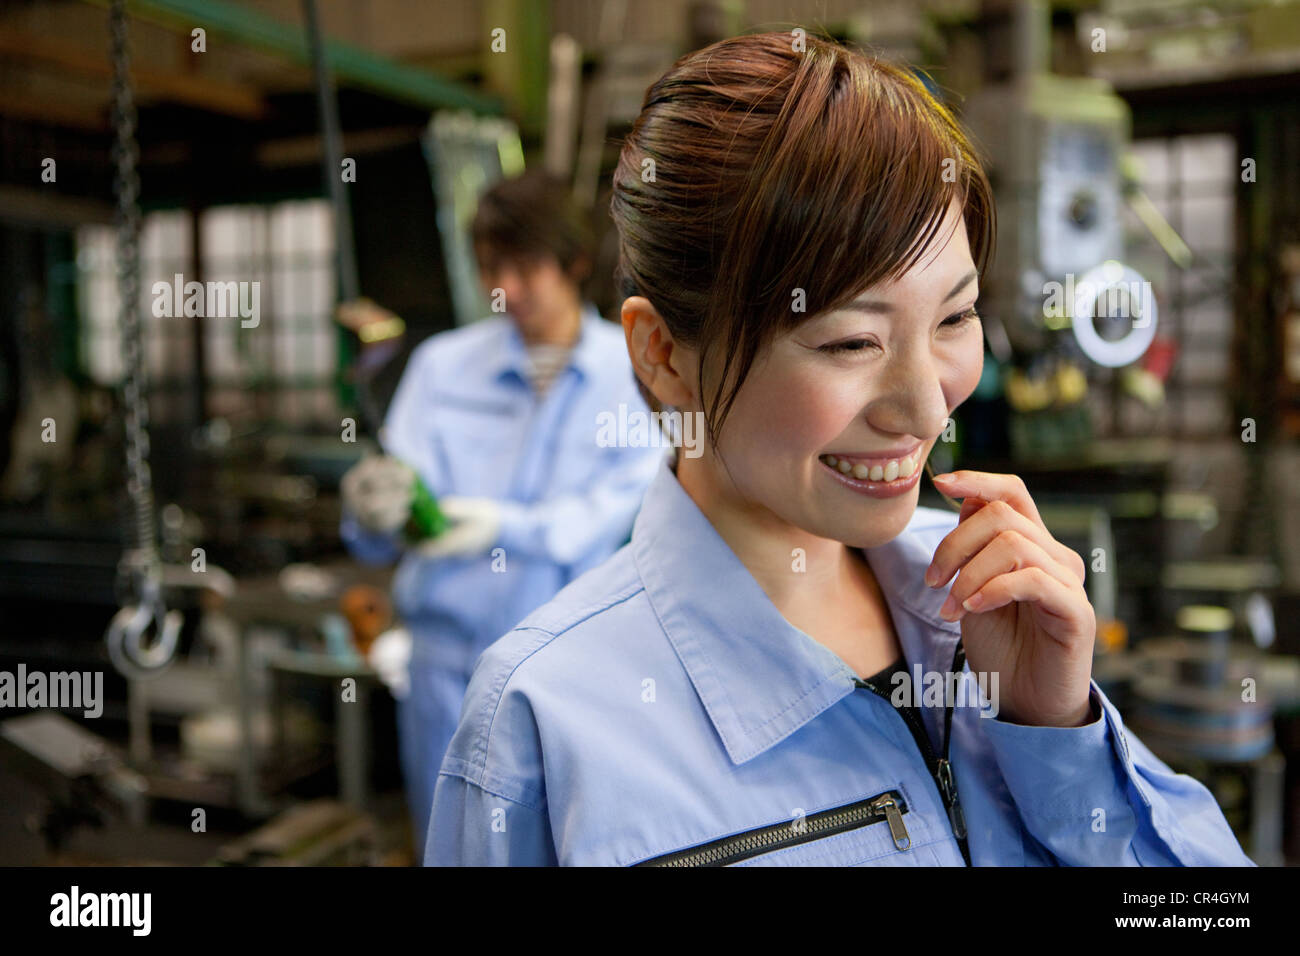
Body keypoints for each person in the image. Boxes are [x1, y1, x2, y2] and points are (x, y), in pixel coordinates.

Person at [425, 33, 1254, 866]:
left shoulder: (988, 605)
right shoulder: (544, 724)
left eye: (955, 318)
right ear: (664, 357)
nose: (928, 405)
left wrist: (1057, 736)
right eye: (852, 341)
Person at [340, 170, 661, 860]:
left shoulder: (636, 371)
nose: (506, 290)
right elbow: (382, 536)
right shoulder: (441, 369)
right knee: (453, 852)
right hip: (446, 670)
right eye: (492, 269)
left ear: (574, 262)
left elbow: (611, 513)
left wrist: (504, 525)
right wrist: (371, 508)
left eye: (525, 266)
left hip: (575, 668)